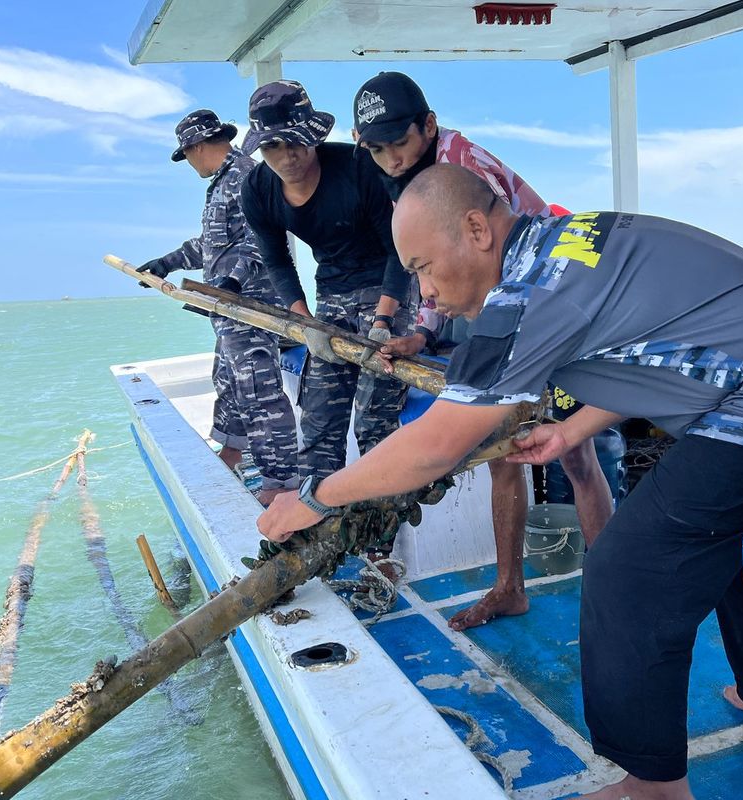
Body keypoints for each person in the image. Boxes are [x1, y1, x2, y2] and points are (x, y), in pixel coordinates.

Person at [258, 164, 743, 800]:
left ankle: (650, 788)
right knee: (718, 539)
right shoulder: (566, 243)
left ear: (476, 228)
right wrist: (574, 430)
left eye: (421, 267)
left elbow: (436, 446)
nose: (426, 295)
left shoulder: (525, 289)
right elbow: (661, 345)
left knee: (629, 572)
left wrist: (313, 499)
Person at [351, 71, 614, 629]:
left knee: (578, 456)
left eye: (399, 142)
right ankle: (509, 588)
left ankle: (610, 594)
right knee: (505, 451)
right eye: (378, 149)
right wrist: (422, 333)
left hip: (548, 304)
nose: (392, 158)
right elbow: (434, 269)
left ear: (428, 125)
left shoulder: (463, 168)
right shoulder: (410, 178)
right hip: (503, 306)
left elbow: (493, 267)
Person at [238, 81, 415, 492]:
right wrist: (304, 324)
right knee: (318, 420)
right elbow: (277, 259)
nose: (287, 157)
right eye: (273, 148)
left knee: (374, 420)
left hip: (387, 284)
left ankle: (380, 548)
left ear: (313, 136)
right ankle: (318, 524)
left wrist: (384, 321)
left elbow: (399, 252)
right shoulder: (258, 189)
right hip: (330, 294)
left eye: (296, 144)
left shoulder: (358, 168)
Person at [136, 109, 298, 505]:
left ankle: (283, 484)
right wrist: (167, 262)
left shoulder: (245, 175)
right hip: (226, 311)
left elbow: (262, 239)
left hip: (251, 308)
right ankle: (231, 452)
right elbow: (211, 246)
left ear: (196, 147)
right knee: (229, 381)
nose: (189, 163)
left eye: (187, 154)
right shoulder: (222, 183)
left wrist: (232, 281)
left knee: (259, 392)